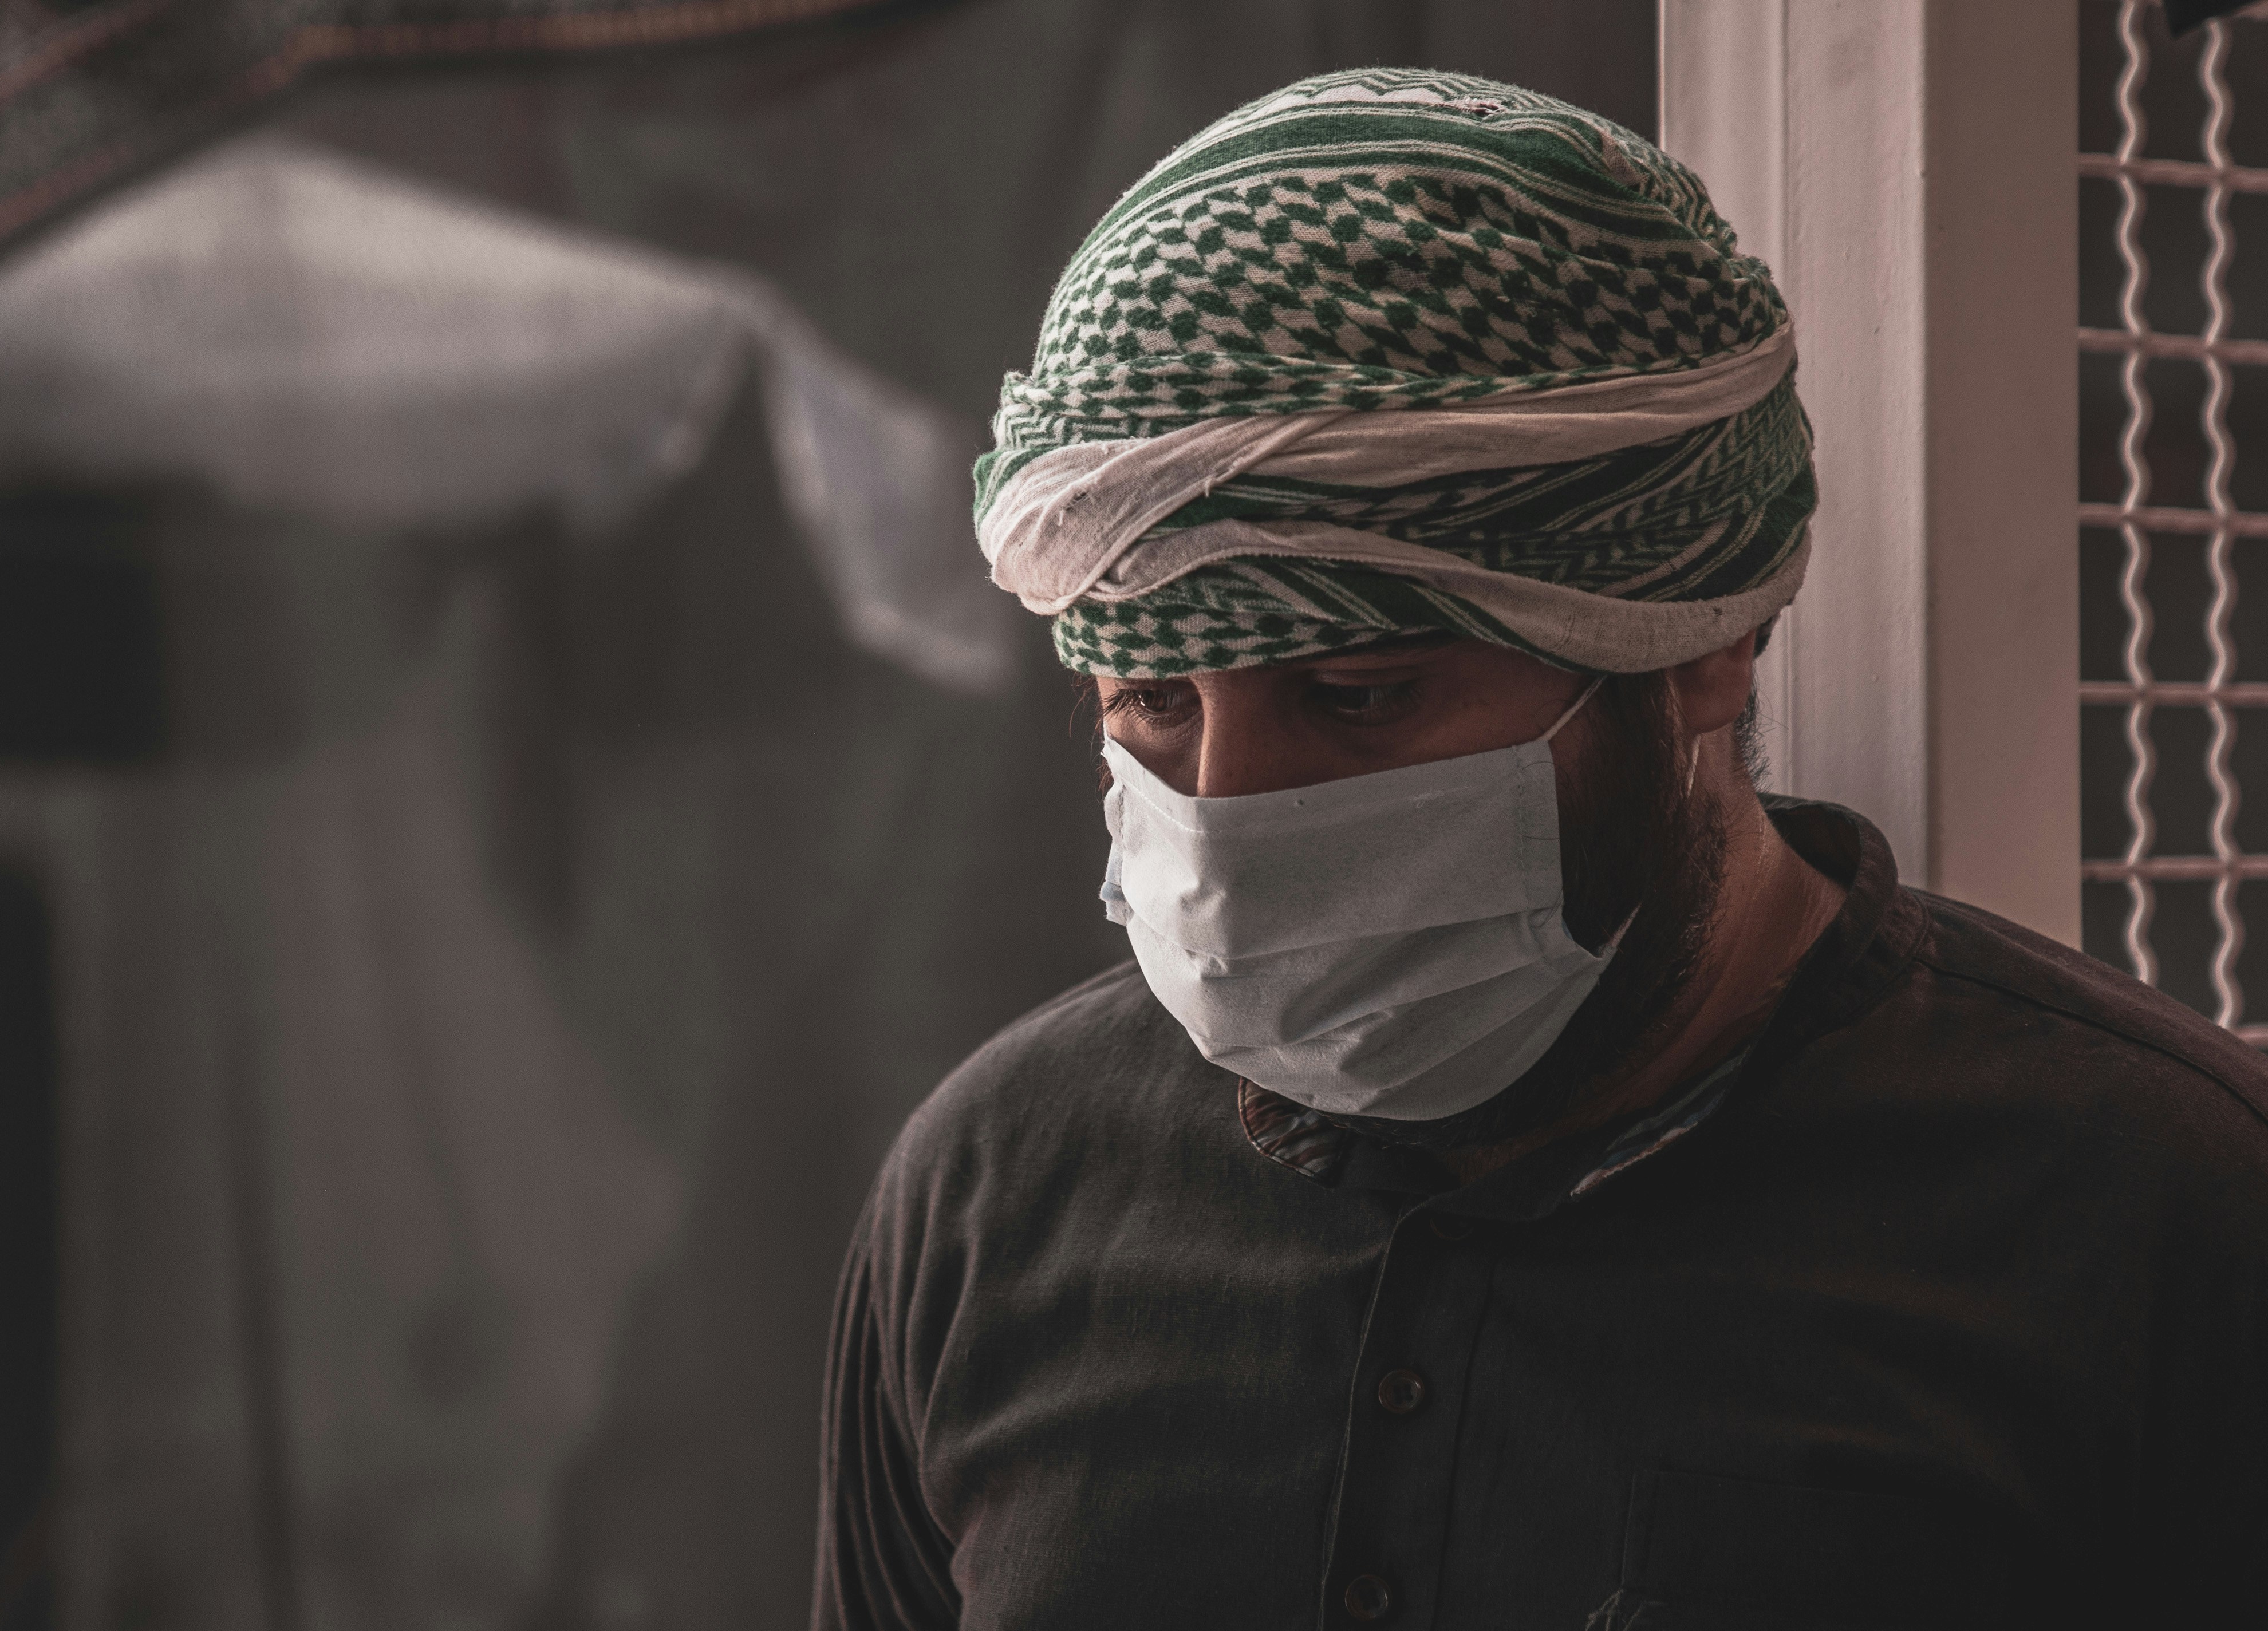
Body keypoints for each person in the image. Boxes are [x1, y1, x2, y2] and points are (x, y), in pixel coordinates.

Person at [812, 71, 2268, 1630]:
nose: (1229, 816)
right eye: (1154, 701)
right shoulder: (993, 1190)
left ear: (1698, 648)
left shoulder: (2157, 1214)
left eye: (1360, 693)